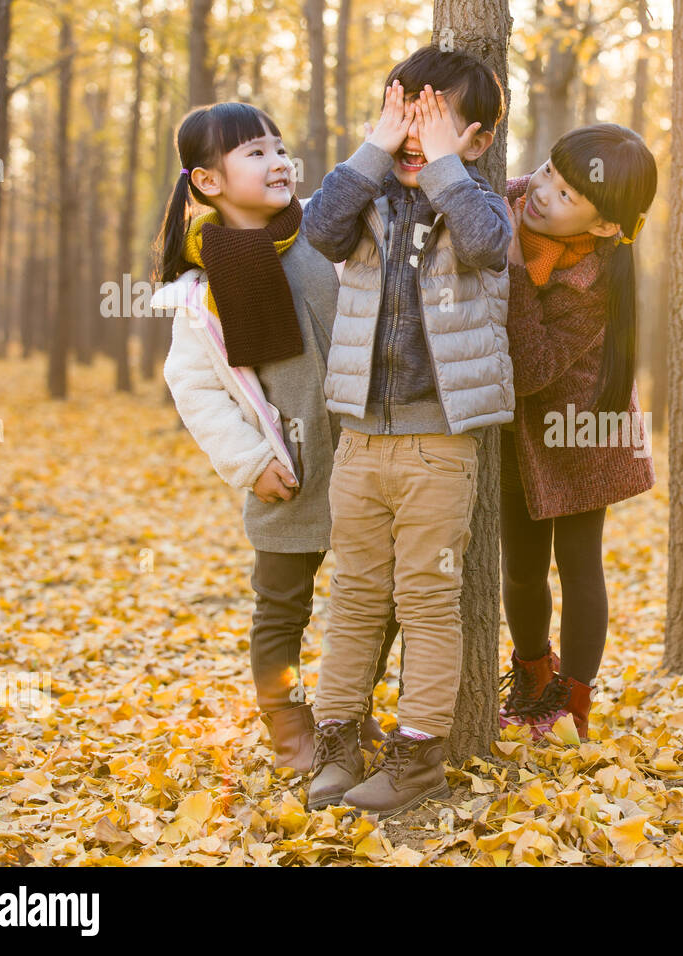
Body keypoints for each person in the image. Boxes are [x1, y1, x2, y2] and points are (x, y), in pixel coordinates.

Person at [149, 102, 396, 773]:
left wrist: (390, 132)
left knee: (384, 595)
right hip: (290, 469)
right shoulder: (204, 289)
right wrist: (251, 461)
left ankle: (352, 709)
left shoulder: (325, 228)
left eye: (279, 147)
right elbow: (195, 389)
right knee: (282, 607)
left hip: (366, 453)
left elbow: (364, 182)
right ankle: (288, 724)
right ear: (208, 182)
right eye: (254, 153)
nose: (277, 161)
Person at [300, 45, 514, 817]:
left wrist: (448, 168)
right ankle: (335, 743)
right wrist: (374, 148)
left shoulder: (481, 203)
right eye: (403, 113)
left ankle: (418, 757)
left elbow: (490, 248)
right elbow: (317, 230)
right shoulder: (366, 195)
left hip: (438, 445)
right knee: (354, 597)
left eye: (432, 120)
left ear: (480, 140)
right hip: (360, 438)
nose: (414, 135)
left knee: (428, 600)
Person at [498, 124, 658, 742]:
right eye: (547, 172)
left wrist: (514, 269)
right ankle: (533, 673)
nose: (543, 192)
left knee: (578, 562)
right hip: (523, 434)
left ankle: (573, 699)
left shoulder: (593, 285)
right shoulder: (520, 200)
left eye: (566, 194)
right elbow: (495, 185)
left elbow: (533, 369)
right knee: (521, 565)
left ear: (602, 227)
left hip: (581, 431)